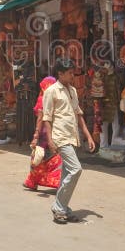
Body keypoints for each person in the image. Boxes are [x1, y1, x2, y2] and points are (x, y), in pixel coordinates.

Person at [42, 59, 95, 224]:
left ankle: (62, 208)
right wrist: (50, 140)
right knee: (76, 170)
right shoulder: (51, 91)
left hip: (72, 136)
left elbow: (78, 114)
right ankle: (59, 206)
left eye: (73, 72)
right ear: (60, 73)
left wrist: (88, 135)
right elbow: (47, 117)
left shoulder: (72, 90)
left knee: (67, 173)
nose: (73, 75)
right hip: (60, 137)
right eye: (70, 73)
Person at [24, 76, 61, 191]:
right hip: (56, 132)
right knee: (55, 157)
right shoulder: (58, 97)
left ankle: (32, 181)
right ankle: (55, 182)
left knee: (38, 159)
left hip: (44, 135)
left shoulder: (43, 98)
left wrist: (36, 135)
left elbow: (40, 119)